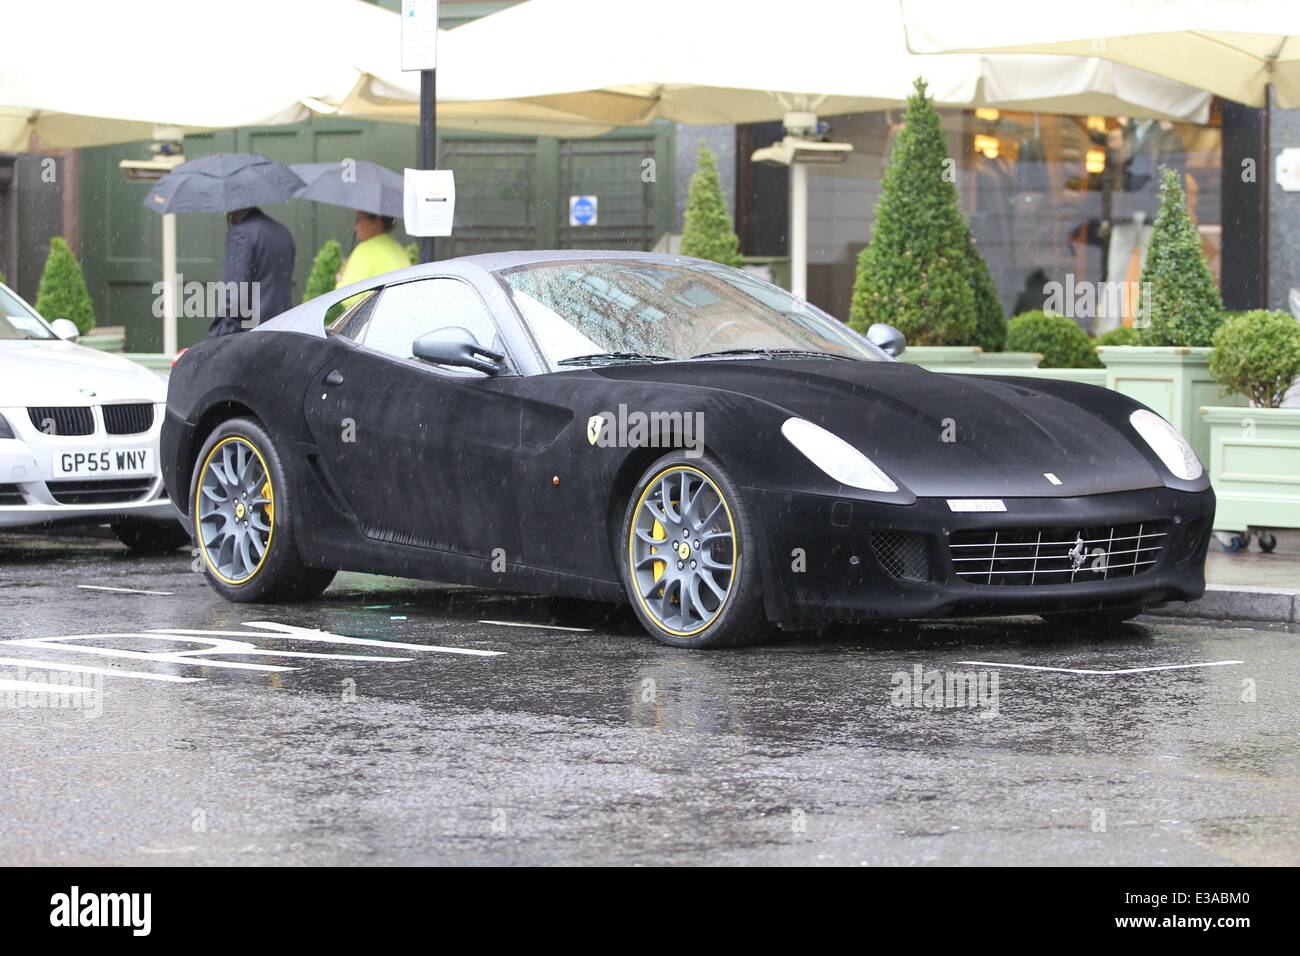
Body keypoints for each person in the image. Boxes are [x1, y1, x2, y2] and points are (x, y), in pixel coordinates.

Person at [211, 207, 295, 337]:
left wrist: (219, 336)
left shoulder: (240, 234)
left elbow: (234, 296)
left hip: (250, 338)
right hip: (283, 332)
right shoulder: (283, 232)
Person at [335, 211, 411, 302]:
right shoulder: (399, 249)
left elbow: (348, 297)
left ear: (375, 222)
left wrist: (340, 282)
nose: (355, 224)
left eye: (358, 219)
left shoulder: (364, 251)